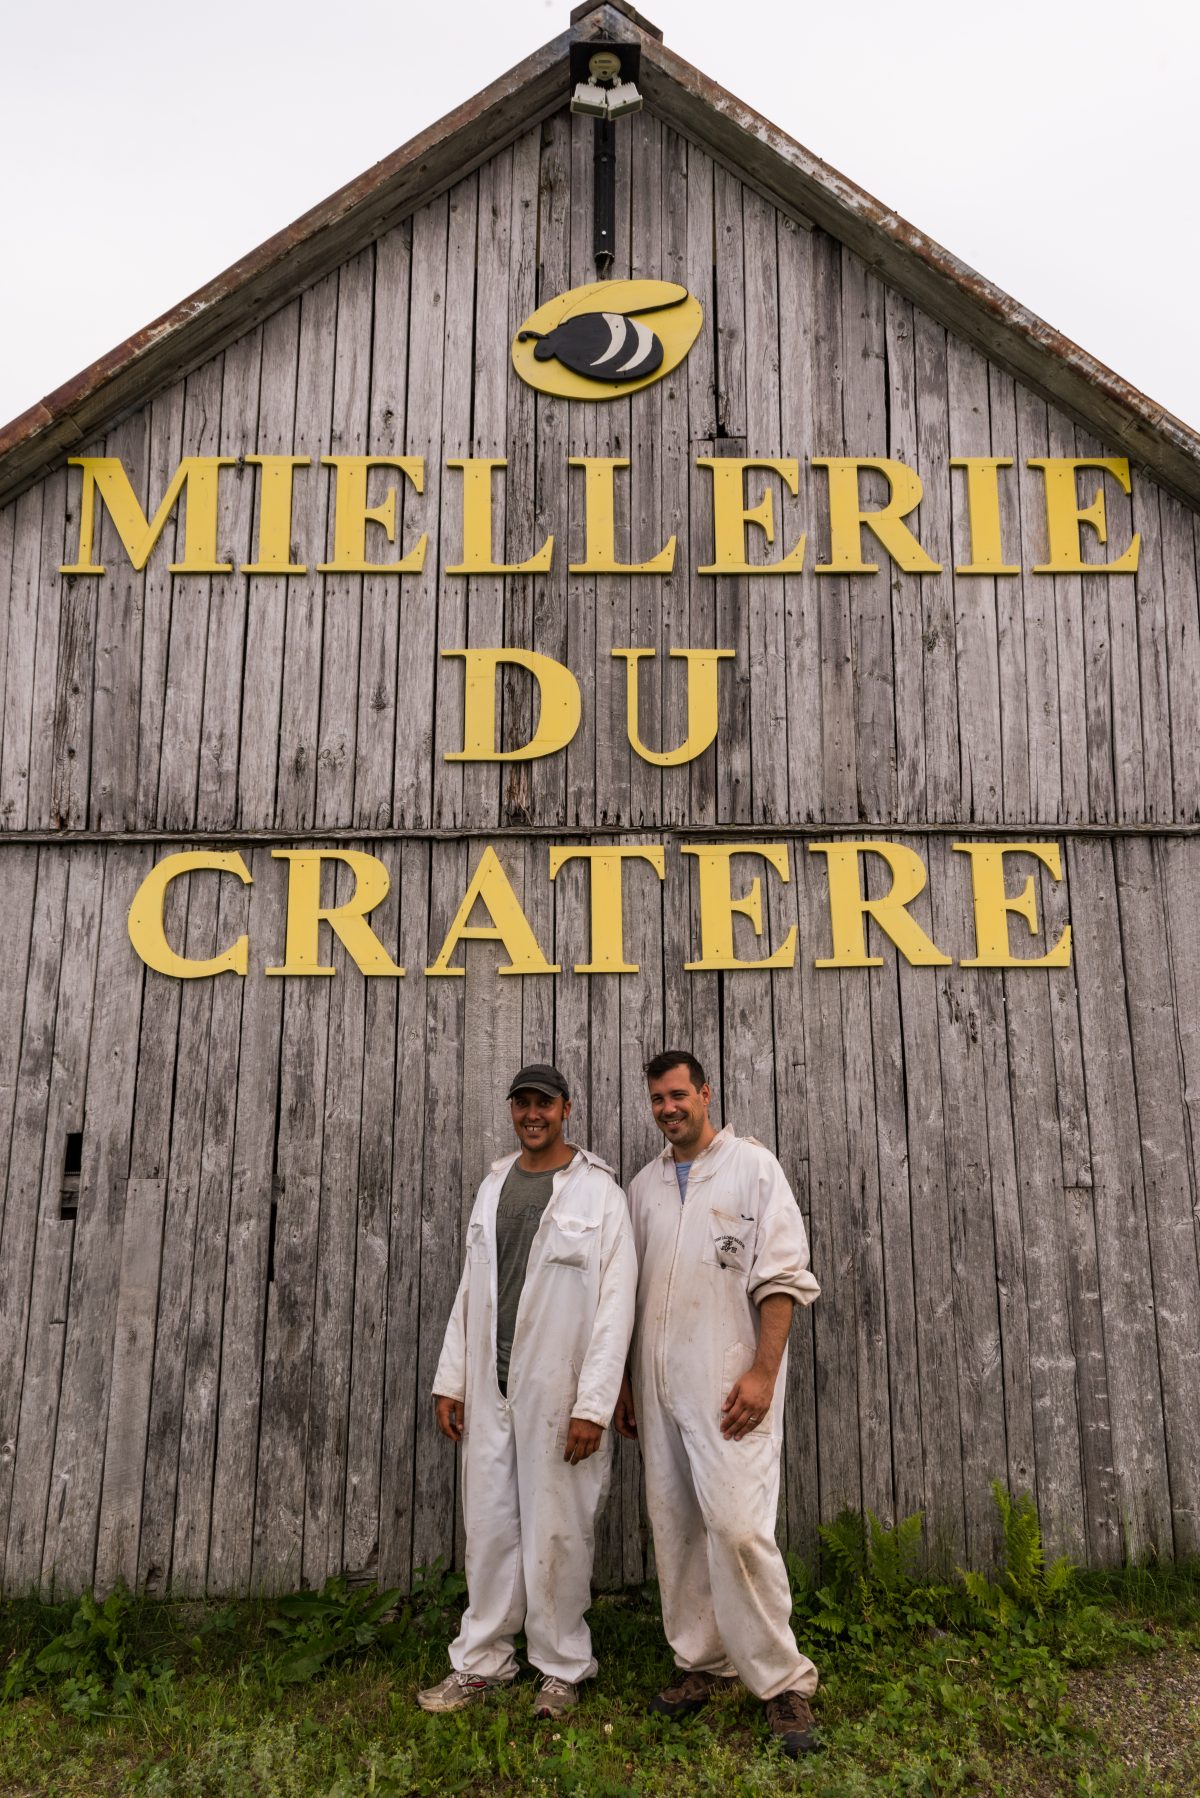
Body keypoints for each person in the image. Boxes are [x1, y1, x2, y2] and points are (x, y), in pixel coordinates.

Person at [615, 1049, 822, 1757]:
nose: (668, 1108)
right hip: (658, 1384)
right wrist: (624, 1384)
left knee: (737, 1529)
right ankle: (700, 1664)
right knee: (675, 1528)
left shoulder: (752, 1169)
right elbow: (626, 1297)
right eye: (657, 1100)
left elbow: (783, 1278)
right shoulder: (642, 1187)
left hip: (732, 1385)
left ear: (706, 1093)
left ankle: (782, 1683)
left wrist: (764, 1374)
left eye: (679, 1095)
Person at [418, 1063, 636, 1721]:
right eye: (522, 1105)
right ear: (513, 1111)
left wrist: (593, 1405)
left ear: (567, 1108)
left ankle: (562, 1668)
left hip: (559, 1394)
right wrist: (453, 1379)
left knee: (559, 1532)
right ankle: (482, 1662)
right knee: (487, 1528)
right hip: (493, 1390)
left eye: (544, 1104)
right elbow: (471, 1290)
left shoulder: (601, 1195)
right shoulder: (494, 1186)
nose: (532, 1115)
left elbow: (617, 1308)